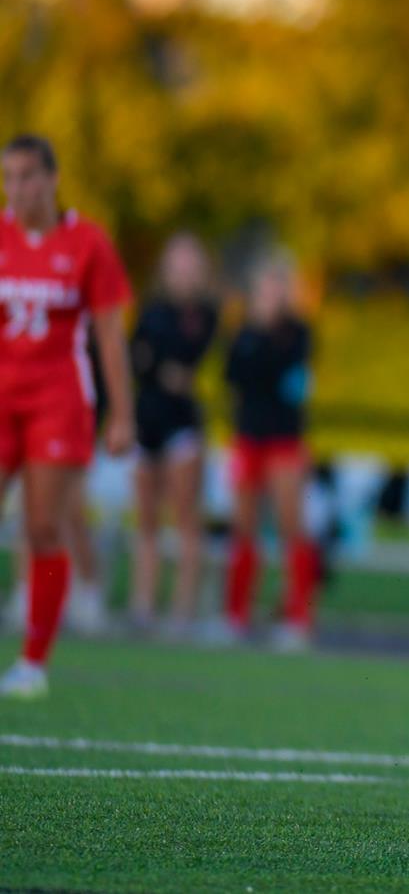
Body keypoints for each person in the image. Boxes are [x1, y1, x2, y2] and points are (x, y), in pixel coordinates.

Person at [0, 133, 135, 699]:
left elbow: (108, 334)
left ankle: (33, 662)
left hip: (59, 401)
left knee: (42, 527)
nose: (18, 188)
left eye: (28, 176)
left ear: (53, 178)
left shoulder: (88, 243)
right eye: (9, 177)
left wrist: (122, 414)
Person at [222, 255, 316, 649]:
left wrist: (260, 347)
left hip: (284, 440)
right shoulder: (243, 331)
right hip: (249, 435)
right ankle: (236, 614)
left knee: (290, 526)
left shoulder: (298, 333)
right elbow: (235, 376)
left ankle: (297, 616)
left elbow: (283, 375)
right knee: (244, 527)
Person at [128, 233, 220, 632]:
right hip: (146, 418)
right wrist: (159, 369)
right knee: (146, 516)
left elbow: (187, 365)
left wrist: (160, 367)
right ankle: (143, 602)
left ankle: (182, 608)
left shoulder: (207, 314)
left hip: (182, 422)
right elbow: (138, 359)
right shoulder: (151, 310)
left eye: (189, 266)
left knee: (184, 514)